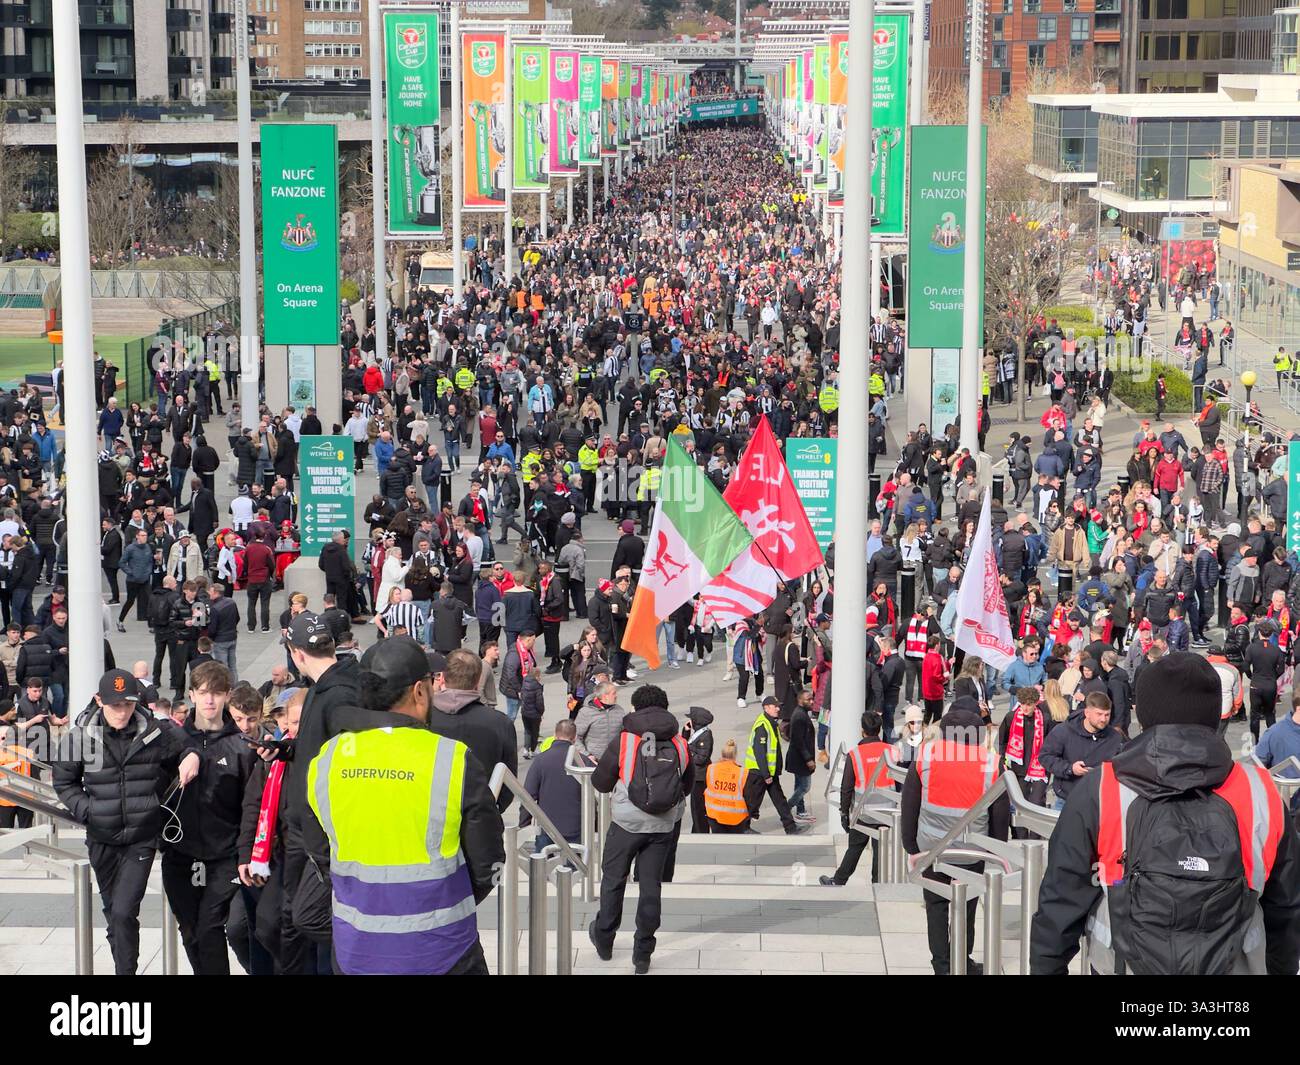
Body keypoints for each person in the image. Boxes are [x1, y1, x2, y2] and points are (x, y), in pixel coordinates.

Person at [1031, 651, 1300, 975]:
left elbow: (1059, 903)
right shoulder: (1261, 792)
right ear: (1216, 716)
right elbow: (1286, 909)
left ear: (1142, 715)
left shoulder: (1102, 789)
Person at [308, 635, 505, 974]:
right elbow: (488, 862)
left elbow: (317, 848)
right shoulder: (451, 759)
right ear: (419, 690)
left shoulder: (328, 759)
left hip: (357, 947)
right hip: (442, 949)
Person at [53, 670, 200, 975]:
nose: (122, 712)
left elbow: (188, 746)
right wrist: (89, 811)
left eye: (128, 704)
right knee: (114, 914)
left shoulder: (156, 731)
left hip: (141, 838)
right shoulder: (80, 736)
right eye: (114, 705)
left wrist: (191, 757)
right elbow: (64, 781)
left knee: (123, 910)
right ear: (99, 701)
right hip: (101, 837)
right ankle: (125, 967)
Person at [589, 683, 694, 975]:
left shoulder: (625, 741)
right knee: (650, 887)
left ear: (636, 708)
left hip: (625, 823)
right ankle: (643, 954)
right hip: (662, 827)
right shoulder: (680, 744)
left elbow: (600, 782)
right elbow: (685, 786)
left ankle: (605, 938)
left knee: (613, 879)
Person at [160, 661, 256, 975]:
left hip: (224, 854)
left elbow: (250, 805)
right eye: (203, 693)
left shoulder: (242, 747)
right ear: (191, 695)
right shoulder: (172, 740)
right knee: (189, 930)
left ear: (227, 695)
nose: (210, 700)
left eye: (217, 693)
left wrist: (245, 853)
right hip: (180, 853)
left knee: (210, 927)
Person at [901, 697, 1008, 974]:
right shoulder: (991, 762)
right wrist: (996, 849)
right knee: (967, 905)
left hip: (931, 848)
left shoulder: (926, 754)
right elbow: (1000, 813)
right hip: (972, 850)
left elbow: (910, 802)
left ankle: (941, 964)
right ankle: (963, 959)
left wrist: (909, 844)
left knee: (935, 905)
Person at [820, 711, 894, 886]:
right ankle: (878, 883)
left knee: (855, 847)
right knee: (880, 850)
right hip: (887, 811)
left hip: (864, 811)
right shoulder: (891, 751)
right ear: (880, 729)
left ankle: (839, 880)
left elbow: (846, 788)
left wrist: (844, 813)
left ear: (863, 730)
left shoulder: (855, 754)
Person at [1038, 691, 1124, 809]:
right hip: (1067, 799)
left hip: (1099, 801)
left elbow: (1126, 763)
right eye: (1099, 714)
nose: (1103, 719)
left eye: (1107, 715)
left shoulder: (1115, 737)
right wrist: (1069, 768)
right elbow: (1045, 756)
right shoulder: (1063, 731)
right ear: (1087, 713)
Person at [742, 696, 808, 835]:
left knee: (780, 801)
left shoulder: (770, 722)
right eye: (775, 706)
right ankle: (743, 828)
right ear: (766, 708)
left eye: (778, 706)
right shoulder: (762, 725)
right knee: (751, 801)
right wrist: (766, 775)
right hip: (759, 773)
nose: (778, 709)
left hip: (768, 773)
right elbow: (759, 752)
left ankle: (790, 827)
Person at [521, 719, 585, 853]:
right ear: (574, 738)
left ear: (555, 736)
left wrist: (524, 824)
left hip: (547, 826)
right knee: (574, 869)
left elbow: (528, 795)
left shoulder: (541, 760)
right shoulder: (583, 762)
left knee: (542, 868)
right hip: (576, 826)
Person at [703, 739, 750, 833]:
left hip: (714, 815)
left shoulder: (711, 768)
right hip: (737, 818)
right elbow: (749, 795)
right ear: (735, 755)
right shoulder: (743, 772)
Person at [682, 706, 714, 833]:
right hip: (696, 775)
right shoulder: (697, 733)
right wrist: (685, 731)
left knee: (698, 807)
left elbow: (701, 758)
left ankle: (700, 831)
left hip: (700, 778)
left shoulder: (705, 736)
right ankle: (697, 830)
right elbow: (683, 745)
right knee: (696, 807)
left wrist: (688, 753)